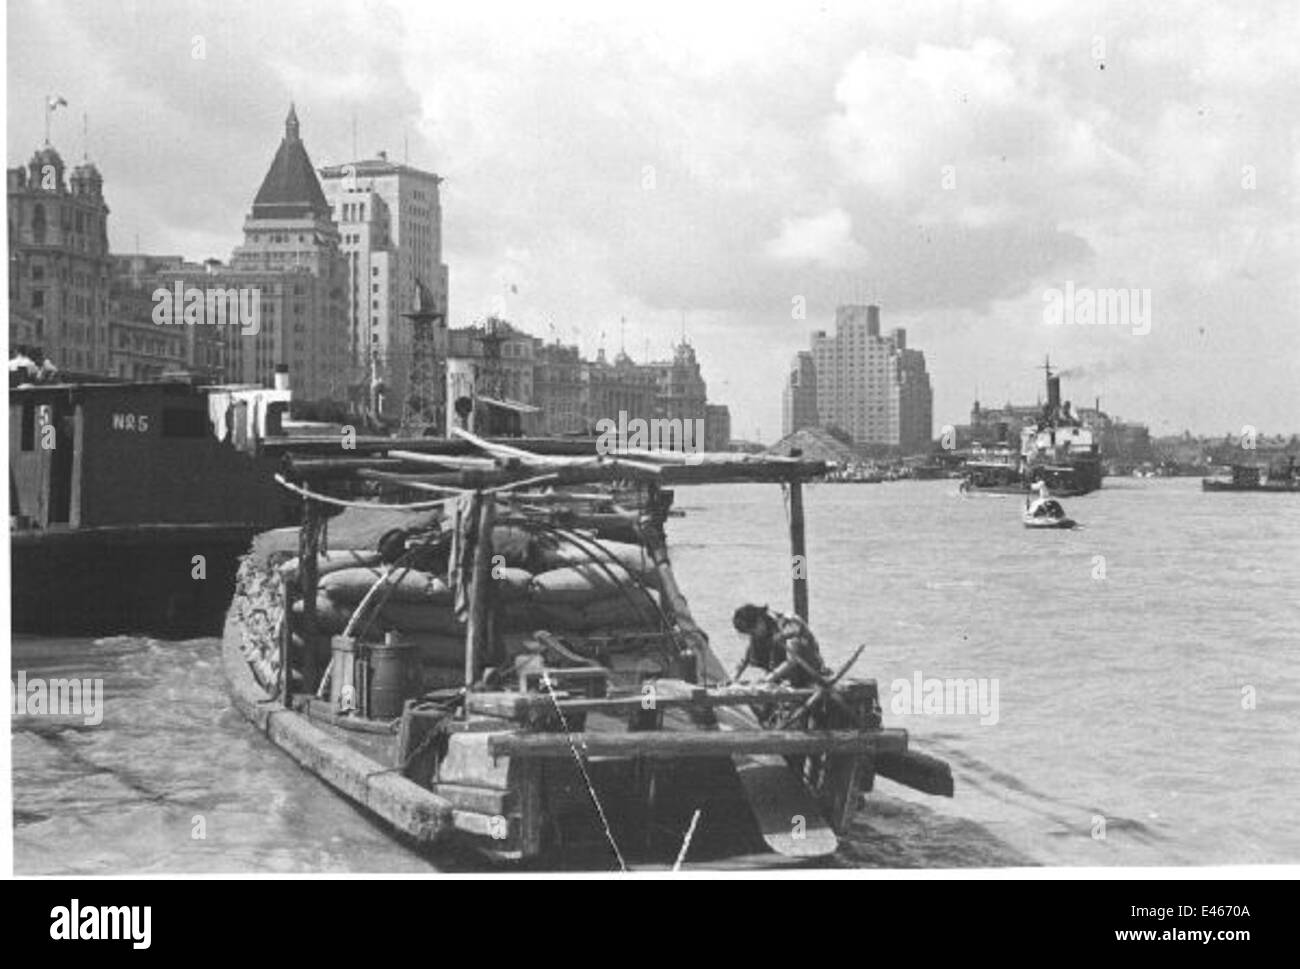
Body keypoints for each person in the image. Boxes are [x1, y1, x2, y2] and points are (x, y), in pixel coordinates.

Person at [730, 603, 830, 689]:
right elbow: (745, 660)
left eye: (753, 631)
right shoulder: (759, 633)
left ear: (760, 620)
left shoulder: (788, 623)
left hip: (806, 673)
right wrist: (733, 678)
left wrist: (767, 680)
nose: (753, 635)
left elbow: (792, 660)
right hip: (780, 677)